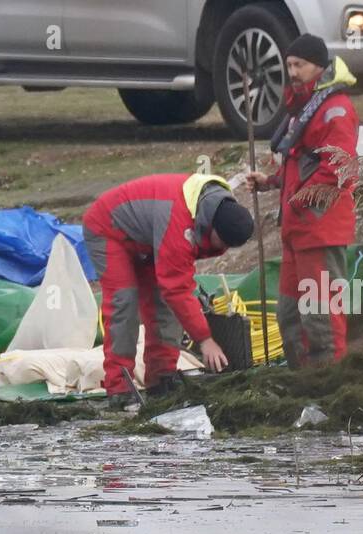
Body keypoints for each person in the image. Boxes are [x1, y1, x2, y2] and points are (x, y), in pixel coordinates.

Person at [82, 172, 255, 407]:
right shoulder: (180, 223)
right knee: (124, 303)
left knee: (163, 305)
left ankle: (161, 378)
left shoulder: (215, 211)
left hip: (149, 237)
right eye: (222, 243)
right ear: (212, 226)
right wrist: (205, 340)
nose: (222, 249)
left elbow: (173, 292)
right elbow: (178, 289)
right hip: (109, 228)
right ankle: (119, 387)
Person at [247, 34, 359, 367]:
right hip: (298, 232)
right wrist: (271, 183)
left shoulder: (334, 110)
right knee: (290, 318)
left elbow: (339, 170)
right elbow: (302, 166)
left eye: (300, 65)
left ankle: (331, 387)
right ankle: (302, 386)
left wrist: (297, 202)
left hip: (320, 231)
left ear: (319, 67)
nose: (292, 72)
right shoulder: (304, 108)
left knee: (321, 318)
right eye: (289, 65)